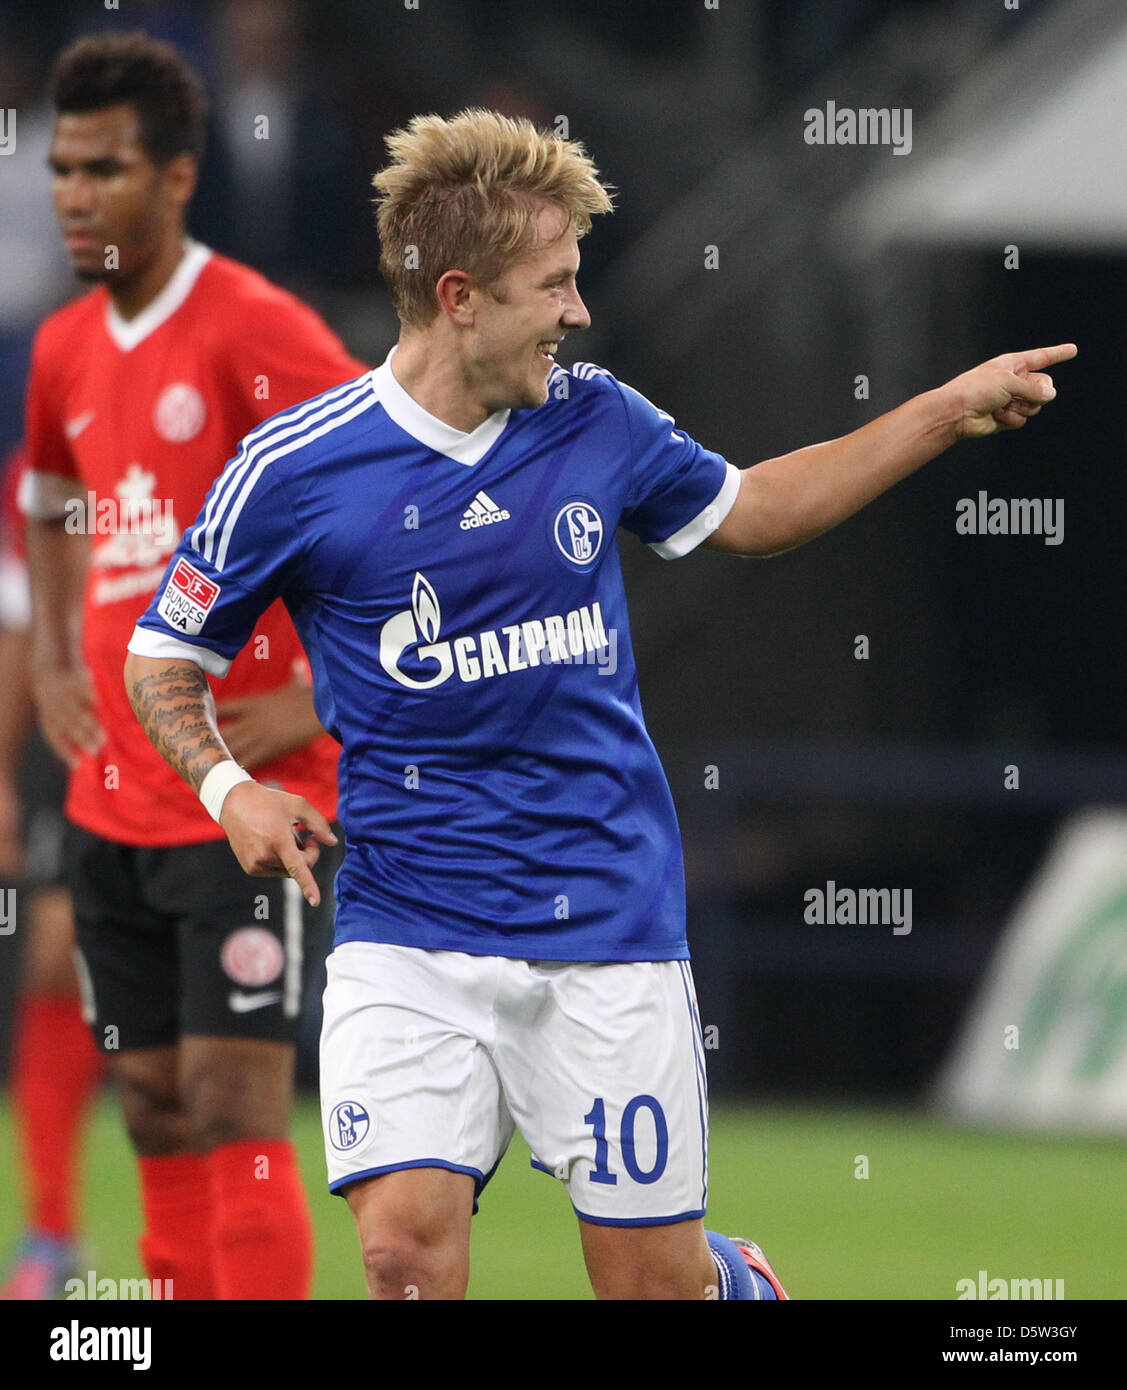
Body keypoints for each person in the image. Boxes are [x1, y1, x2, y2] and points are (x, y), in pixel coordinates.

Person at [123, 108, 1075, 1300]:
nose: (579, 312)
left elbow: (755, 512)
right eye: (555, 283)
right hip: (406, 924)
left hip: (605, 926)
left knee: (649, 1286)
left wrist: (942, 411)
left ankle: (731, 1281)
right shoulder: (294, 470)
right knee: (401, 1253)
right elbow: (162, 653)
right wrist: (230, 789)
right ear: (460, 295)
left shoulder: (595, 419)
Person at [24, 33, 366, 1299]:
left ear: (175, 177)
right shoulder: (63, 346)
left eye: (102, 168)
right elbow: (53, 501)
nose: (71, 193)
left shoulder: (254, 331)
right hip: (113, 791)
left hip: (245, 797)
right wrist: (57, 652)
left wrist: (324, 692)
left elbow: (393, 501)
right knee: (157, 1106)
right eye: (59, 167)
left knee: (234, 1099)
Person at [0, 444, 104, 1301]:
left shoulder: (209, 419)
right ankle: (53, 1230)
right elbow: (19, 618)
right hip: (72, 734)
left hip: (182, 723)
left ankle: (203, 1228)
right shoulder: (41, 467)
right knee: (50, 957)